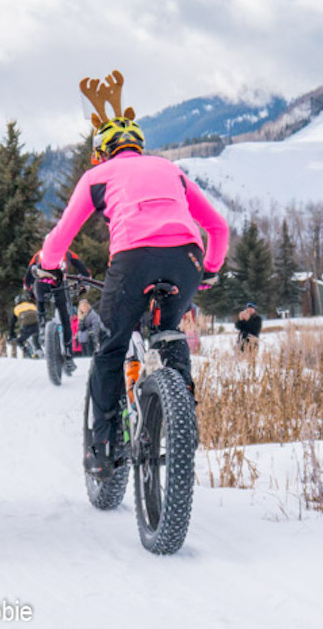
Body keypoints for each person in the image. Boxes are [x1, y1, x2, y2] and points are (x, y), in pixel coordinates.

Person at [40, 69, 229, 479]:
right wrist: (209, 270)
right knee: (170, 330)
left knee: (111, 348)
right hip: (187, 258)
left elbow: (61, 237)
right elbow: (218, 227)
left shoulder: (98, 176)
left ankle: (104, 448)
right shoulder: (171, 170)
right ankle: (183, 421)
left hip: (133, 259)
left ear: (102, 152)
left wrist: (46, 265)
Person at [23, 248, 89, 372]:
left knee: (40, 301)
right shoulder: (67, 252)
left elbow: (27, 277)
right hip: (60, 285)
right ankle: (69, 355)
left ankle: (42, 325)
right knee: (65, 320)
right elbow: (83, 270)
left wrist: (28, 289)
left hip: (41, 286)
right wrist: (85, 284)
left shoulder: (39, 254)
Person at [8, 291, 41, 358]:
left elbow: (12, 323)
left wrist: (12, 334)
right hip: (37, 324)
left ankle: (27, 353)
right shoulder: (32, 305)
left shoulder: (16, 308)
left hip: (26, 325)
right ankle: (39, 350)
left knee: (20, 341)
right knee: (36, 338)